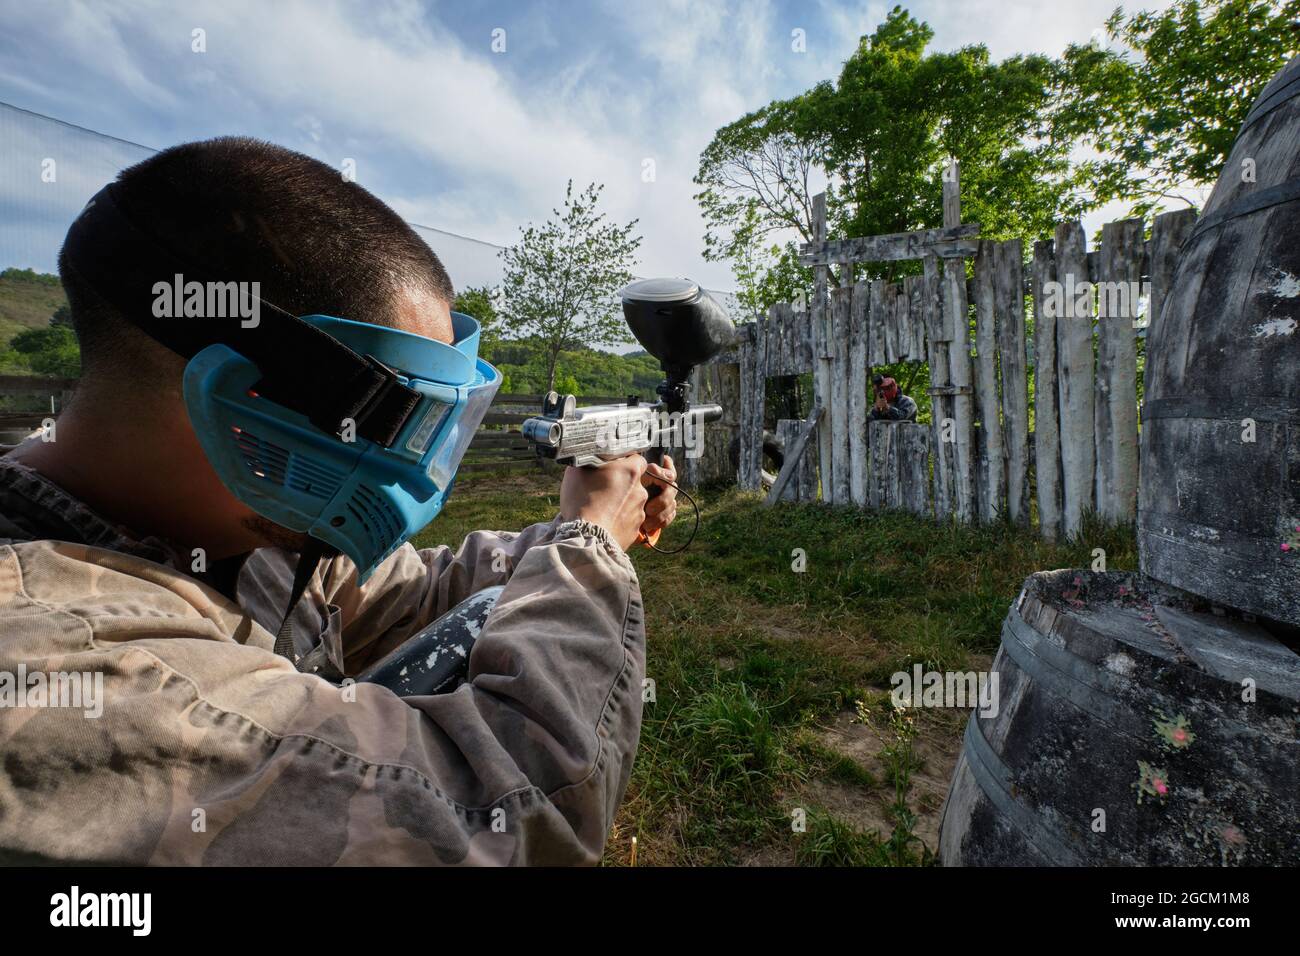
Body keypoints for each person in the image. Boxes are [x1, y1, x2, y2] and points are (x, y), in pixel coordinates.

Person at [0, 137, 678, 865]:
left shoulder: (236, 532)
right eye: (398, 419)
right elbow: (516, 815)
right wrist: (587, 545)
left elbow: (419, 594)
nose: (414, 465)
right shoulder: (64, 673)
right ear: (241, 398)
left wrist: (584, 521)